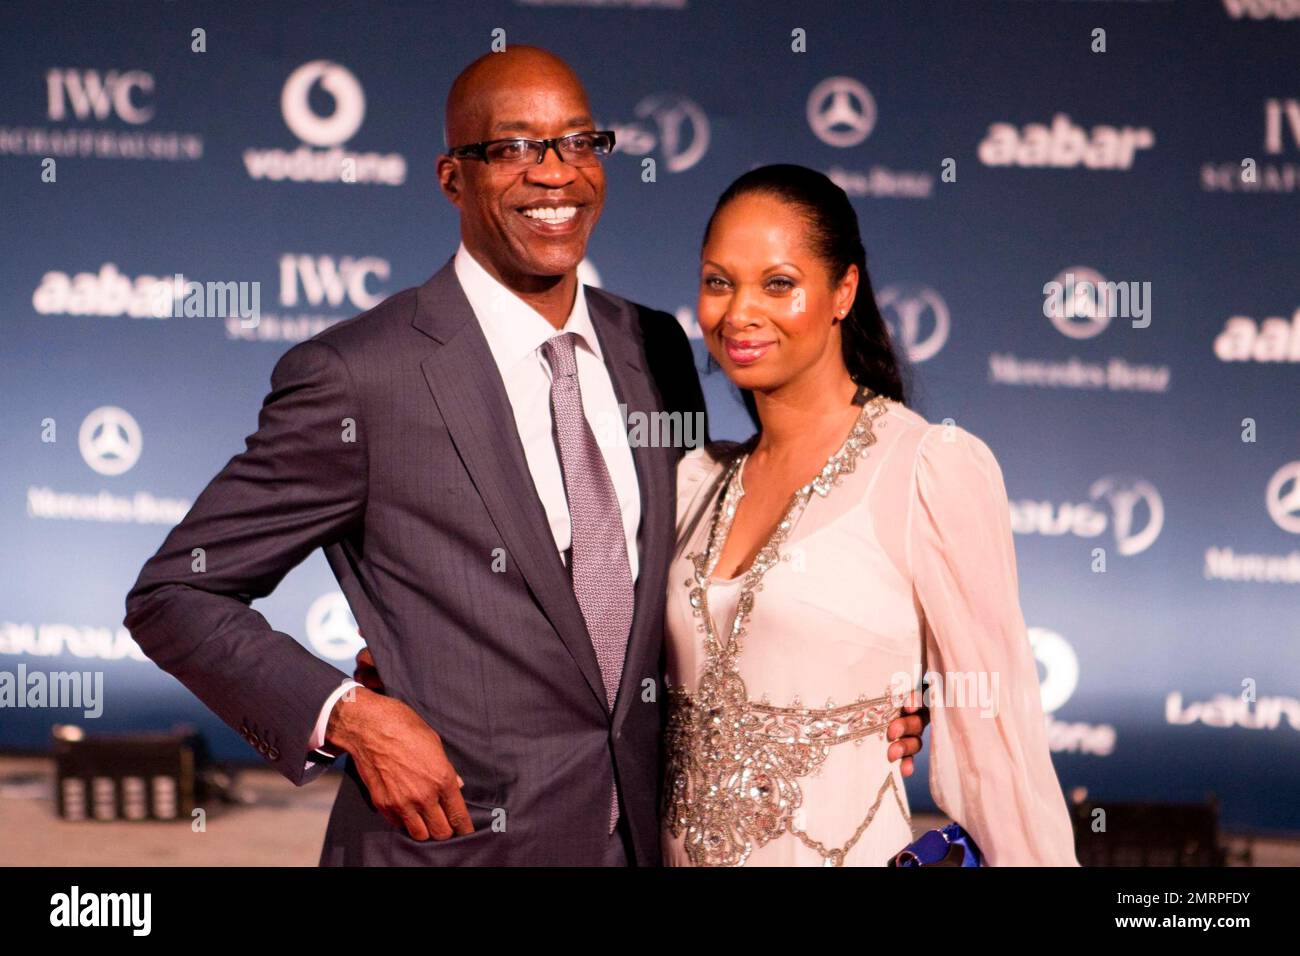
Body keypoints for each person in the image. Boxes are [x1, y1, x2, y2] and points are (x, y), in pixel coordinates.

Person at [122, 46, 931, 866]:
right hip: (452, 847)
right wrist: (351, 716)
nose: (555, 173)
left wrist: (851, 696)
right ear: (452, 178)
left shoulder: (653, 345)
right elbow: (176, 593)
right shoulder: (360, 377)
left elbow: (710, 571)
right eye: (513, 147)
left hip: (644, 845)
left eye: (579, 142)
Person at [660, 164, 1080, 866]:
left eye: (779, 284)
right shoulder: (695, 482)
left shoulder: (926, 469)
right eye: (718, 281)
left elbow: (1000, 756)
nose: (739, 313)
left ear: (843, 291)